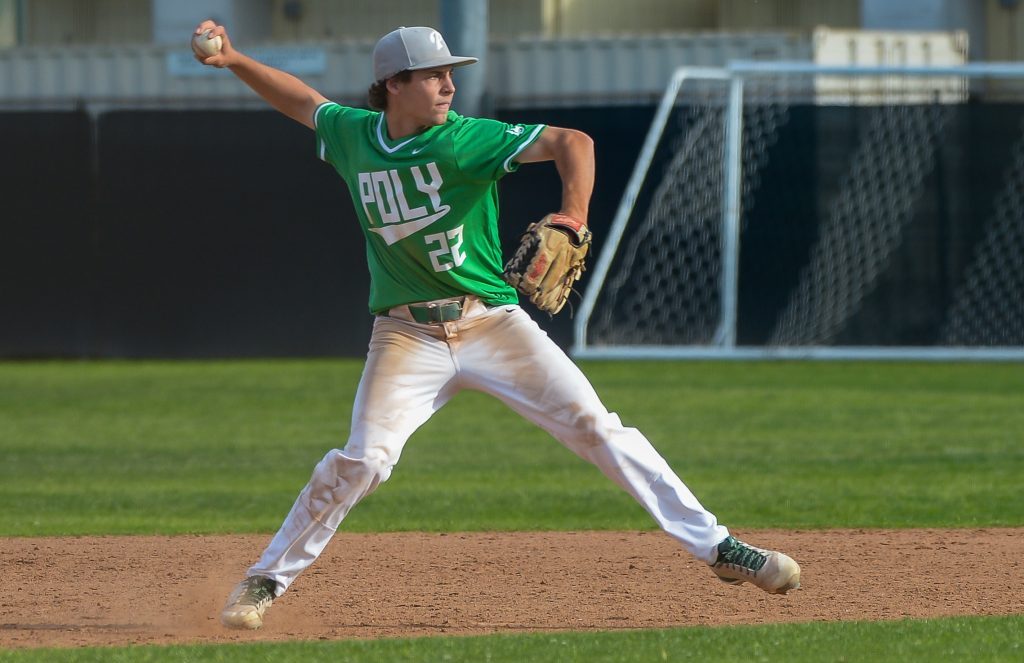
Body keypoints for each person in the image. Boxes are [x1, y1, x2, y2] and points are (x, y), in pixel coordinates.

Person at [192, 20, 801, 630]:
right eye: (434, 74)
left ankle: (719, 548)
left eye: (450, 72)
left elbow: (574, 142)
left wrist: (572, 215)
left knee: (597, 426)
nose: (449, 85)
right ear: (393, 84)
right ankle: (266, 579)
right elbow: (302, 100)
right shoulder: (355, 136)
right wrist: (236, 58)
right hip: (407, 336)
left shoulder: (467, 140)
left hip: (493, 324)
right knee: (364, 461)